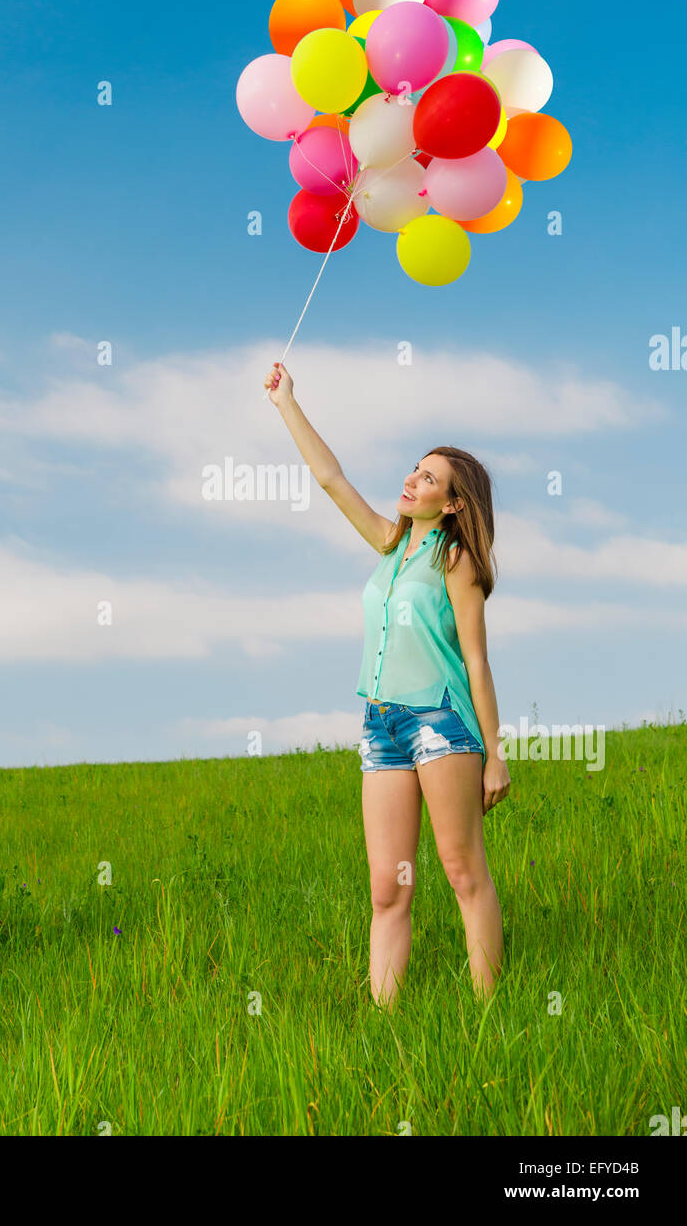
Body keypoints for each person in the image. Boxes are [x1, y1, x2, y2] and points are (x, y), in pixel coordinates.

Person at [263, 360, 511, 1007]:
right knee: (387, 887)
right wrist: (288, 402)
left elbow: (477, 661)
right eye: (415, 467)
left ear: (453, 502)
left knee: (462, 871)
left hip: (441, 722)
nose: (413, 479)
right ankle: (385, 1021)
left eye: (430, 477)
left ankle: (490, 1013)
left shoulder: (455, 560)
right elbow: (329, 477)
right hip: (381, 726)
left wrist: (495, 756)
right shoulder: (389, 543)